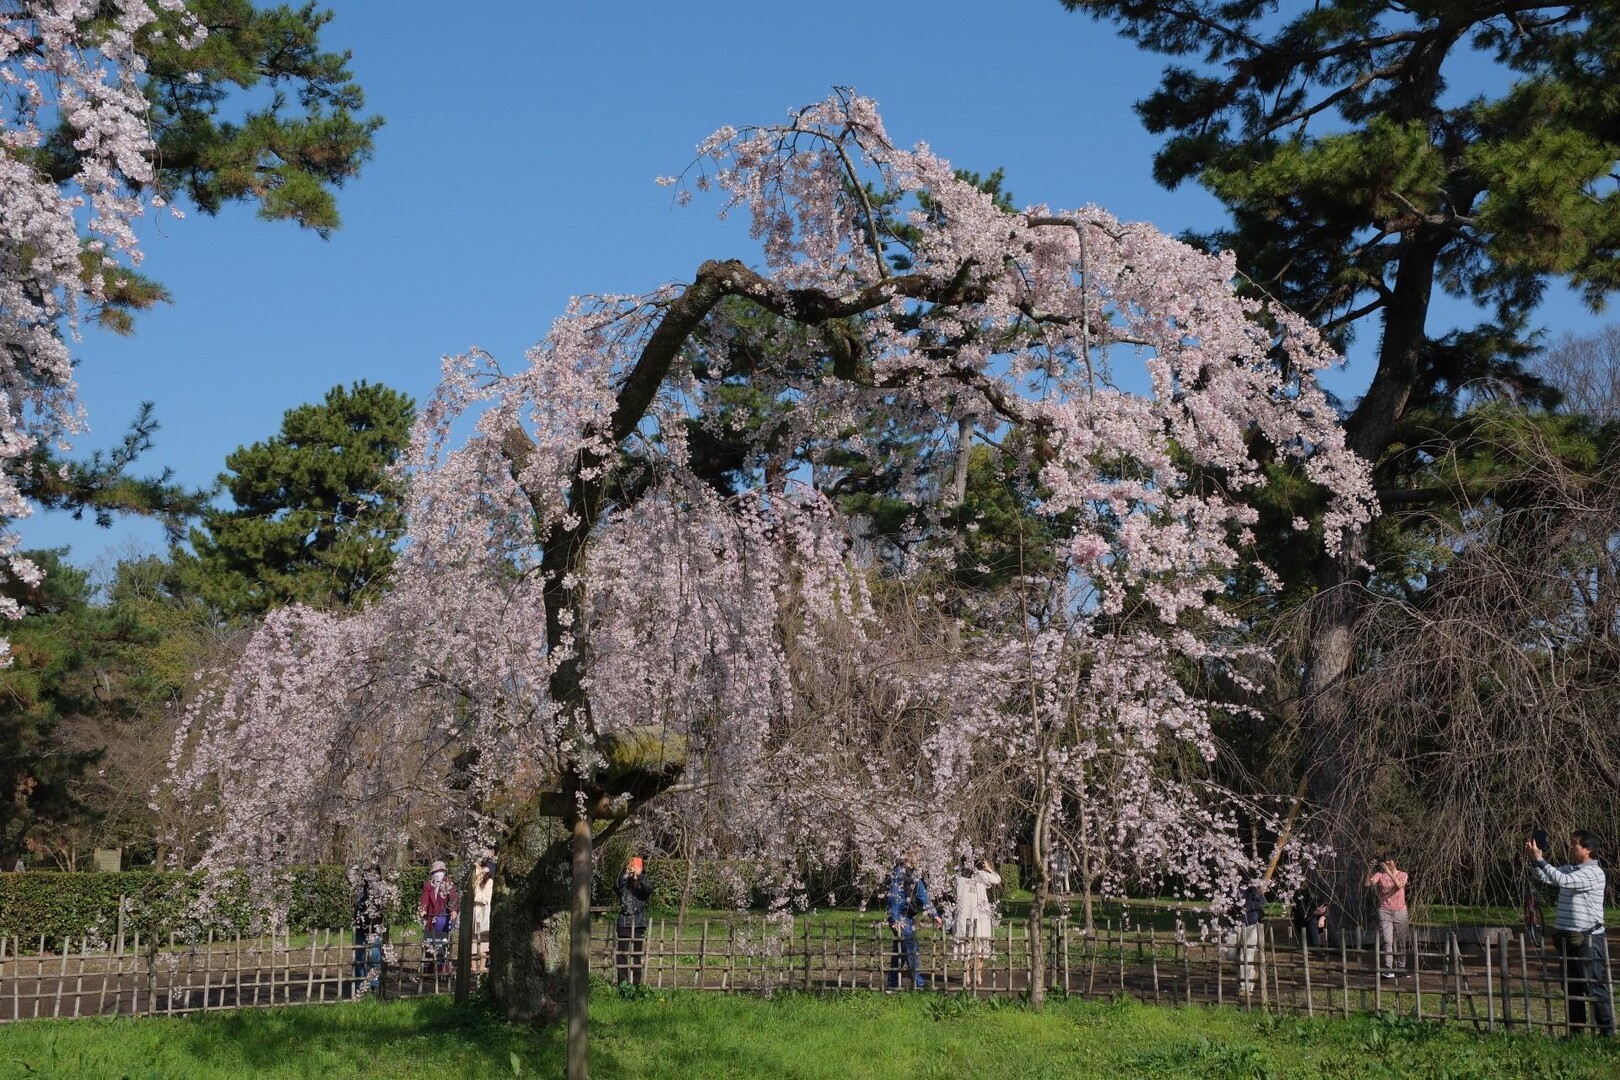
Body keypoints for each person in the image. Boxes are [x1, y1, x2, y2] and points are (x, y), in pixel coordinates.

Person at [1527, 829, 1614, 1037]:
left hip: (1588, 939)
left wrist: (1540, 859)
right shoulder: (1572, 868)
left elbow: (1563, 881)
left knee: (1593, 987)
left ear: (1588, 849)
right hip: (1567, 937)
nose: (1570, 846)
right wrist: (1535, 860)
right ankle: (1575, 1032)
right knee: (1571, 987)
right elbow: (1547, 877)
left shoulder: (1593, 873)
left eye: (1574, 843)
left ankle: (1606, 1034)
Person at [886, 851, 942, 992]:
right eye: (916, 855)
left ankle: (892, 984)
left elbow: (922, 895)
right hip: (899, 916)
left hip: (908, 916)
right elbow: (894, 897)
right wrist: (895, 919)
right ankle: (919, 983)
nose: (918, 858)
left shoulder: (914, 874)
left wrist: (933, 914)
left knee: (901, 950)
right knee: (911, 947)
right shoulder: (899, 873)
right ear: (907, 857)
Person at [951, 857, 1002, 989]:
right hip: (980, 916)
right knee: (979, 946)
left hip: (965, 916)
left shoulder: (957, 878)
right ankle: (978, 975)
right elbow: (997, 879)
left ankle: (967, 975)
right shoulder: (981, 875)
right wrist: (988, 868)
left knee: (966, 945)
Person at [1365, 855, 1409, 978]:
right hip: (1385, 911)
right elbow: (1368, 883)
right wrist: (1369, 869)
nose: (1388, 862)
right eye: (1386, 860)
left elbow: (1399, 885)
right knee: (1387, 940)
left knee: (1401, 941)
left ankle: (1401, 968)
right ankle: (1388, 969)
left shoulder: (1403, 874)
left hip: (1400, 911)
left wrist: (1389, 872)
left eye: (1390, 859)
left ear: (1396, 862)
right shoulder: (1380, 875)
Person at [615, 855, 654, 986]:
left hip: (638, 924)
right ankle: (623, 984)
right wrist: (626, 874)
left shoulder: (643, 883)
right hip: (624, 923)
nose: (633, 872)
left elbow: (648, 890)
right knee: (622, 955)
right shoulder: (624, 883)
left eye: (635, 868)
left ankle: (636, 984)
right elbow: (616, 887)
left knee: (636, 956)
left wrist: (640, 876)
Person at [418, 859, 459, 976]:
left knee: (442, 937)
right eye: (437, 871)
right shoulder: (428, 885)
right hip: (431, 916)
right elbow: (425, 899)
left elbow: (454, 899)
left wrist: (454, 911)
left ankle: (441, 962)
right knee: (429, 938)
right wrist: (423, 909)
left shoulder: (448, 885)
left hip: (443, 916)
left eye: (441, 871)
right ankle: (429, 964)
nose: (439, 873)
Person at [351, 864, 387, 996]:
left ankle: (374, 984)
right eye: (368, 872)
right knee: (360, 955)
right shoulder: (359, 885)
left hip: (375, 926)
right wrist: (358, 862)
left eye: (373, 872)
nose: (370, 875)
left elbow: (383, 902)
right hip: (360, 924)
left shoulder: (381, 887)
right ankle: (360, 985)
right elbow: (349, 874)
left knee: (375, 955)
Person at [1237, 880, 1266, 994]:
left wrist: (1246, 907)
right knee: (1231, 954)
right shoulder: (1227, 884)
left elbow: (1261, 902)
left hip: (1251, 923)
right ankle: (1252, 974)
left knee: (1246, 956)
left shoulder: (1251, 885)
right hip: (1233, 924)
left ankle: (1245, 987)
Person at [471, 851, 495, 974]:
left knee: (484, 940)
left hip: (484, 911)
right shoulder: (473, 881)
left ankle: (482, 967)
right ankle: (473, 967)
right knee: (473, 940)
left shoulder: (489, 882)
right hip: (474, 911)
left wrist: (477, 895)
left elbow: (487, 898)